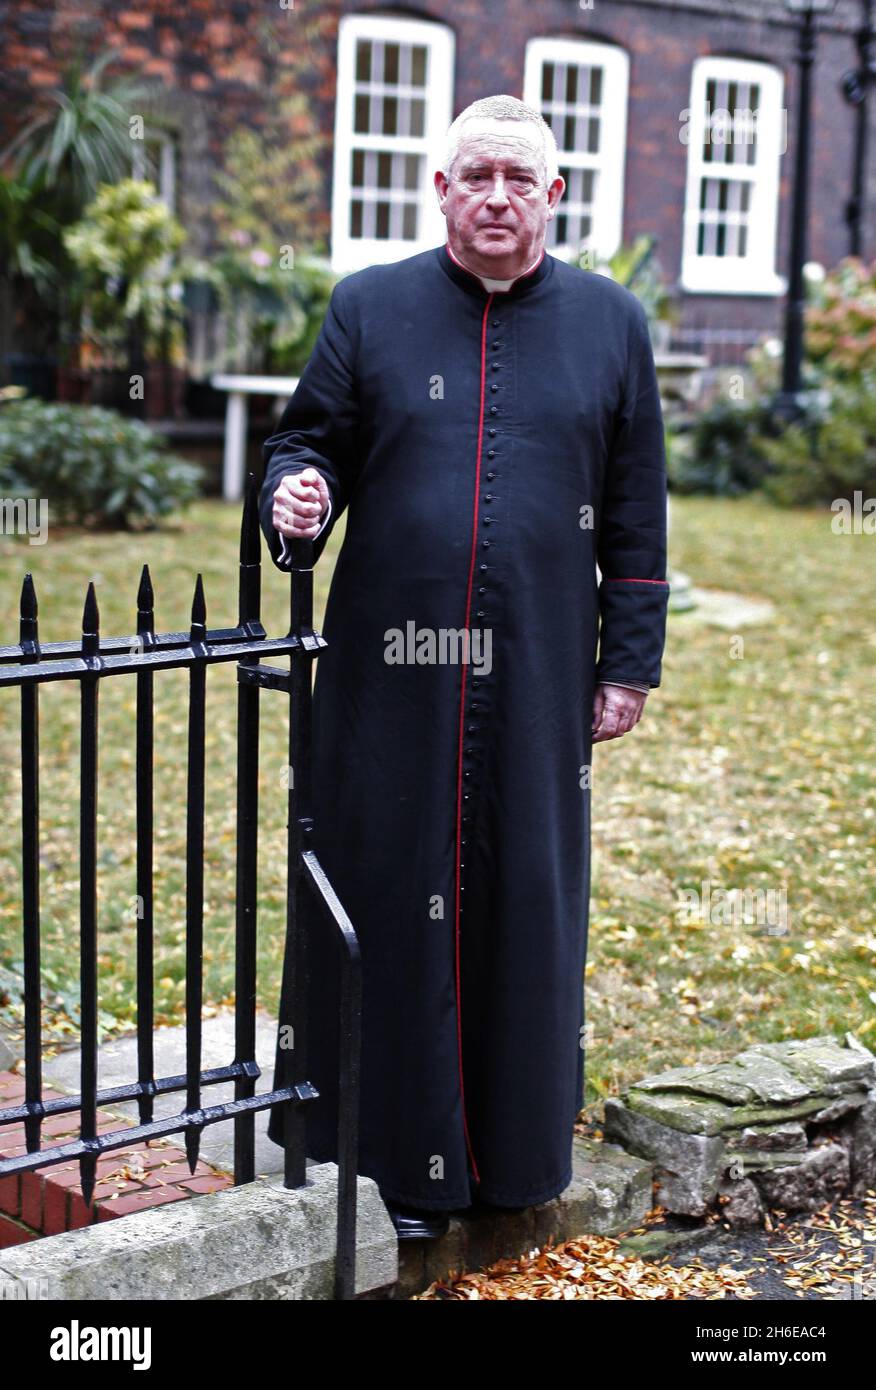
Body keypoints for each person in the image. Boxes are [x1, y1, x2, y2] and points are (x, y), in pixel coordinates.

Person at [260, 95, 669, 1241]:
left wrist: (627, 662)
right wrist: (299, 498)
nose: (495, 195)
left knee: (524, 894)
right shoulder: (369, 307)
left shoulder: (610, 323)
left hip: (540, 667)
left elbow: (637, 511)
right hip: (390, 671)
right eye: (473, 175)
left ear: (554, 196)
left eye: (517, 178)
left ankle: (514, 1157)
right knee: (386, 882)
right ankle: (386, 1150)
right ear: (439, 192)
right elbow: (308, 445)